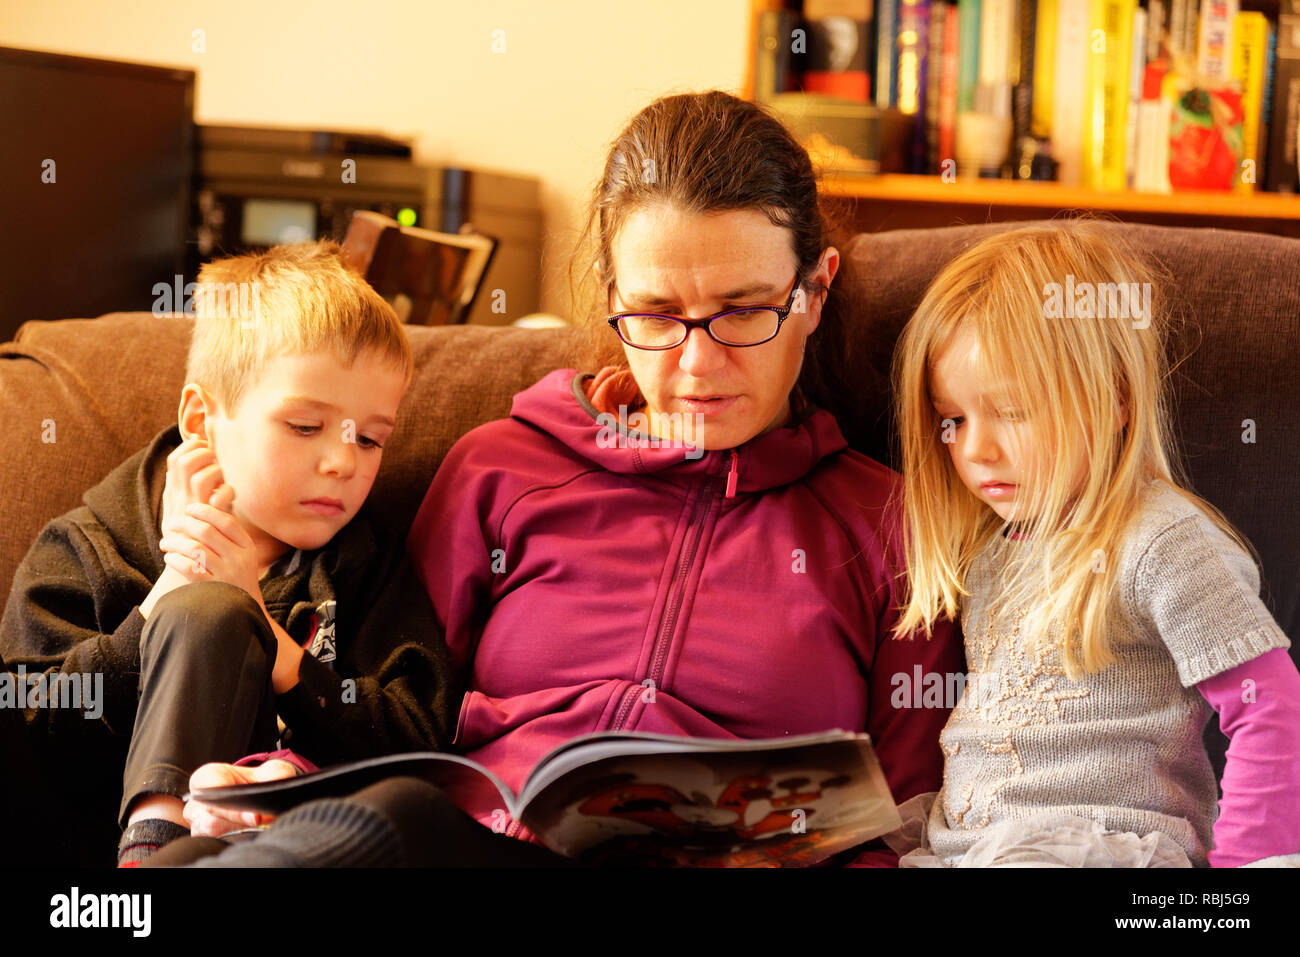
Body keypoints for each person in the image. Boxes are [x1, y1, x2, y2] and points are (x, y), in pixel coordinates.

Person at [170, 90, 964, 868]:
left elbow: (903, 819)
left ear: (814, 291)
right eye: (656, 313)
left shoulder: (889, 524)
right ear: (613, 295)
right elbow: (395, 721)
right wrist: (285, 781)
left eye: (745, 309)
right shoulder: (500, 468)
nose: (697, 364)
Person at [0, 241, 456, 865]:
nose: (343, 461)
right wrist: (169, 597)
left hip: (293, 854)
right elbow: (28, 748)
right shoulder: (88, 549)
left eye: (370, 439)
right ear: (200, 418)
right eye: (304, 427)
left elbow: (420, 744)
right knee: (204, 610)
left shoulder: (368, 568)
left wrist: (271, 640)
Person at [885, 219, 1300, 867]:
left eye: (1014, 411)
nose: (974, 449)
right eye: (954, 419)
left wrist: (1241, 870)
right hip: (961, 852)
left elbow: (1269, 705)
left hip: (1101, 848)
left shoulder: (1160, 537)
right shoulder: (997, 550)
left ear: (1116, 396)